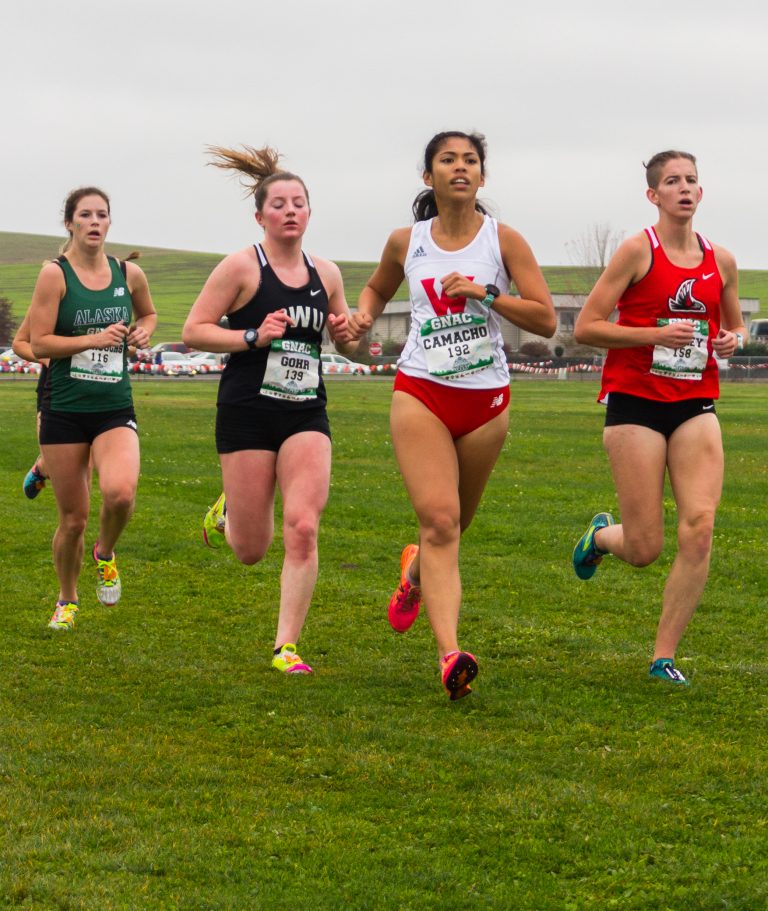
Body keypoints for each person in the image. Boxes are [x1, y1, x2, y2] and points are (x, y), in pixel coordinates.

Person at [345, 131, 555, 700]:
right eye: (447, 160)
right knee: (440, 522)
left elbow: (545, 320)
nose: (459, 168)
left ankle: (413, 573)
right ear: (428, 176)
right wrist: (363, 317)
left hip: (486, 402)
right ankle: (449, 654)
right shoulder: (404, 241)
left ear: (482, 178)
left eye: (470, 161)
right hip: (422, 393)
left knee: (455, 526)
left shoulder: (503, 240)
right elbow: (374, 288)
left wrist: (485, 294)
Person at [572, 150, 746, 685]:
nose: (685, 188)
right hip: (636, 404)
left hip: (695, 403)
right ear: (654, 195)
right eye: (673, 181)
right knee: (645, 547)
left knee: (700, 527)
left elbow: (735, 330)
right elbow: (586, 327)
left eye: (692, 180)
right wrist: (653, 335)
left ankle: (662, 657)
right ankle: (601, 537)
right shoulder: (635, 251)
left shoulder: (722, 260)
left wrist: (731, 340)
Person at [182, 144, 355, 676]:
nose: (289, 211)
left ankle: (286, 646)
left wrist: (351, 336)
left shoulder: (326, 273)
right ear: (260, 216)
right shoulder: (241, 267)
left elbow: (347, 343)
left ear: (309, 212)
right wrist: (253, 335)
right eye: (278, 204)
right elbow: (193, 332)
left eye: (298, 202)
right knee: (252, 550)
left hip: (306, 412)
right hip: (247, 411)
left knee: (303, 527)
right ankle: (231, 510)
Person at [29, 187, 157, 630]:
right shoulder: (55, 275)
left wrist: (143, 332)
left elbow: (150, 316)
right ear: (70, 223)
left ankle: (106, 552)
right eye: (86, 215)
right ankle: (67, 598)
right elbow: (38, 342)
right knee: (72, 520)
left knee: (121, 493)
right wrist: (93, 339)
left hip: (113, 406)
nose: (95, 222)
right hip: (64, 408)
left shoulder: (129, 273)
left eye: (102, 214)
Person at [12, 310, 51, 498]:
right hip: (53, 388)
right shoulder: (49, 293)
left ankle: (77, 523)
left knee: (84, 465)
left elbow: (130, 348)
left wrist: (131, 344)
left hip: (98, 392)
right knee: (55, 466)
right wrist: (46, 358)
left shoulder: (108, 296)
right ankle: (41, 470)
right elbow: (19, 344)